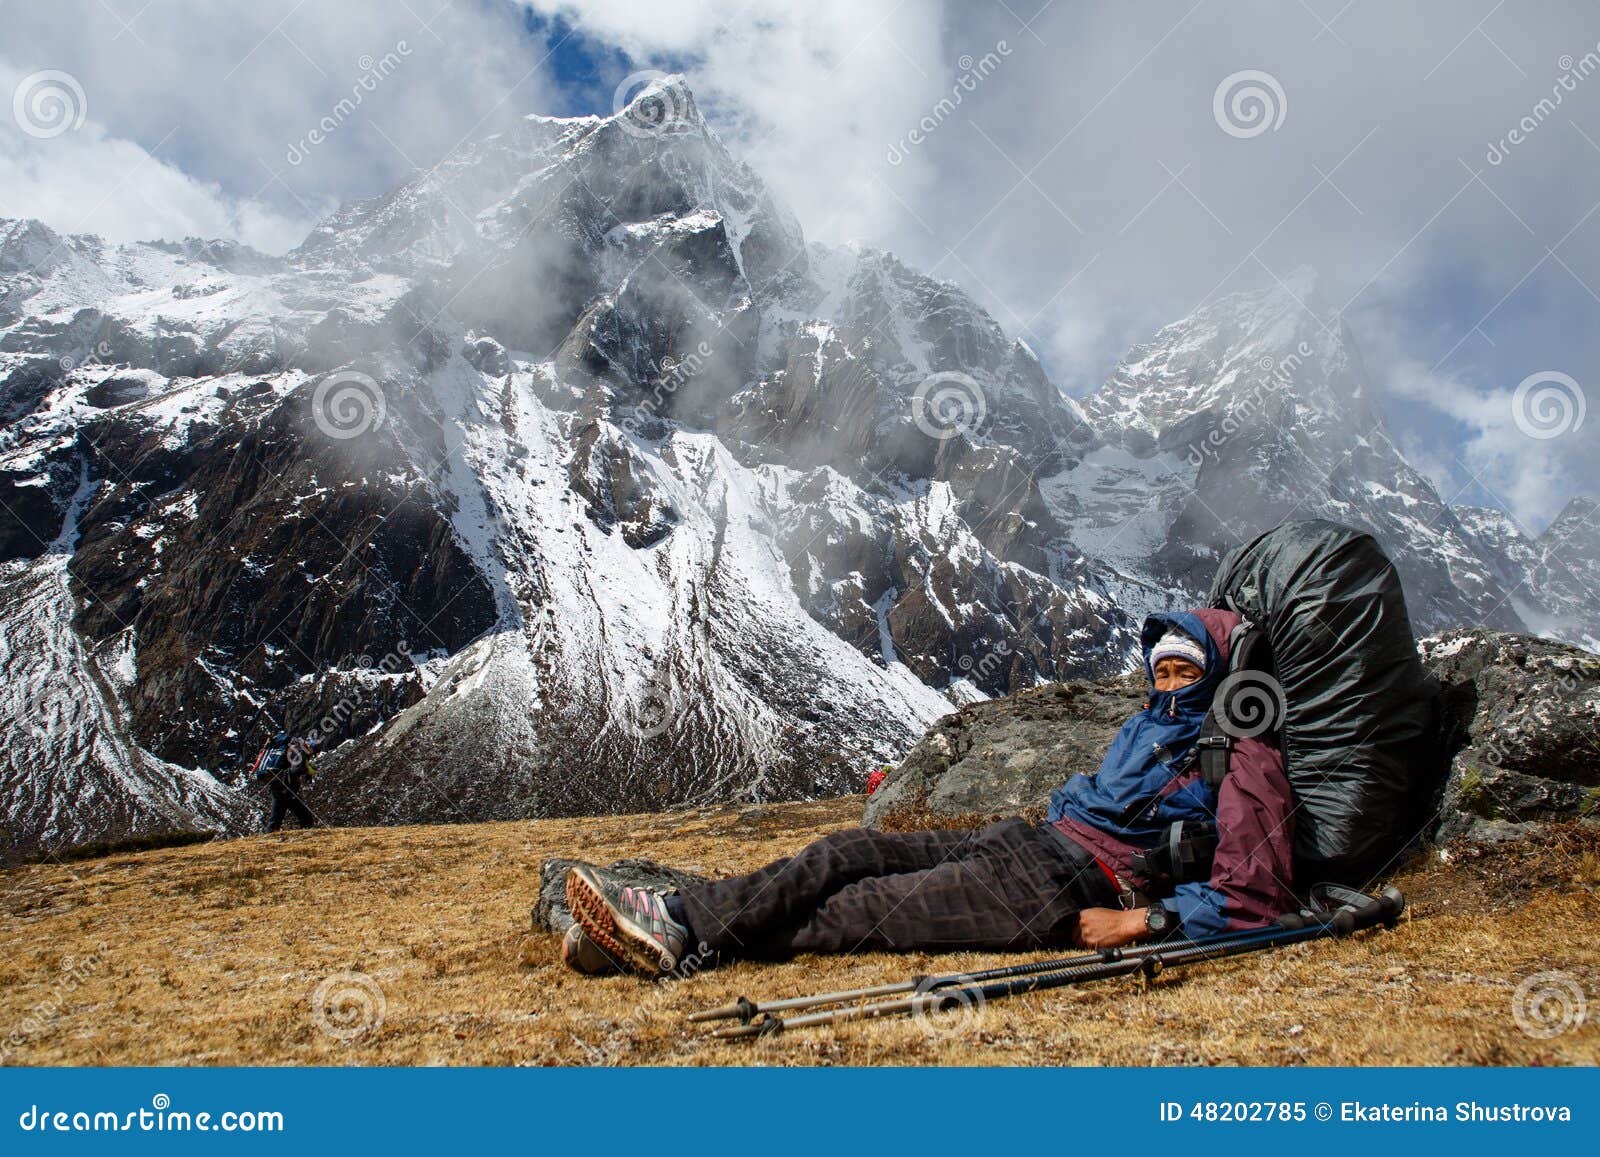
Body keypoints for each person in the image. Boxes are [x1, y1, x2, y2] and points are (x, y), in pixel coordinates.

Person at [561, 609, 1298, 977]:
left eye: (1185, 671)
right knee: (849, 847)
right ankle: (679, 916)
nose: (1168, 684)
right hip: (1027, 842)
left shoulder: (1240, 752)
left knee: (860, 912)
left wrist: (1136, 925)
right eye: (1161, 670)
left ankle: (677, 939)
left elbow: (1253, 898)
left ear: (1221, 673)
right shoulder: (1145, 722)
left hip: (1071, 885)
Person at [251, 732, 320, 832]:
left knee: (276, 818)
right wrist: (308, 770)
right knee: (306, 818)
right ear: (311, 748)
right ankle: (306, 840)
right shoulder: (301, 750)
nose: (313, 755)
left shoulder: (292, 746)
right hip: (286, 788)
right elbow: (296, 770)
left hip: (275, 784)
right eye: (314, 752)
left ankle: (268, 840)